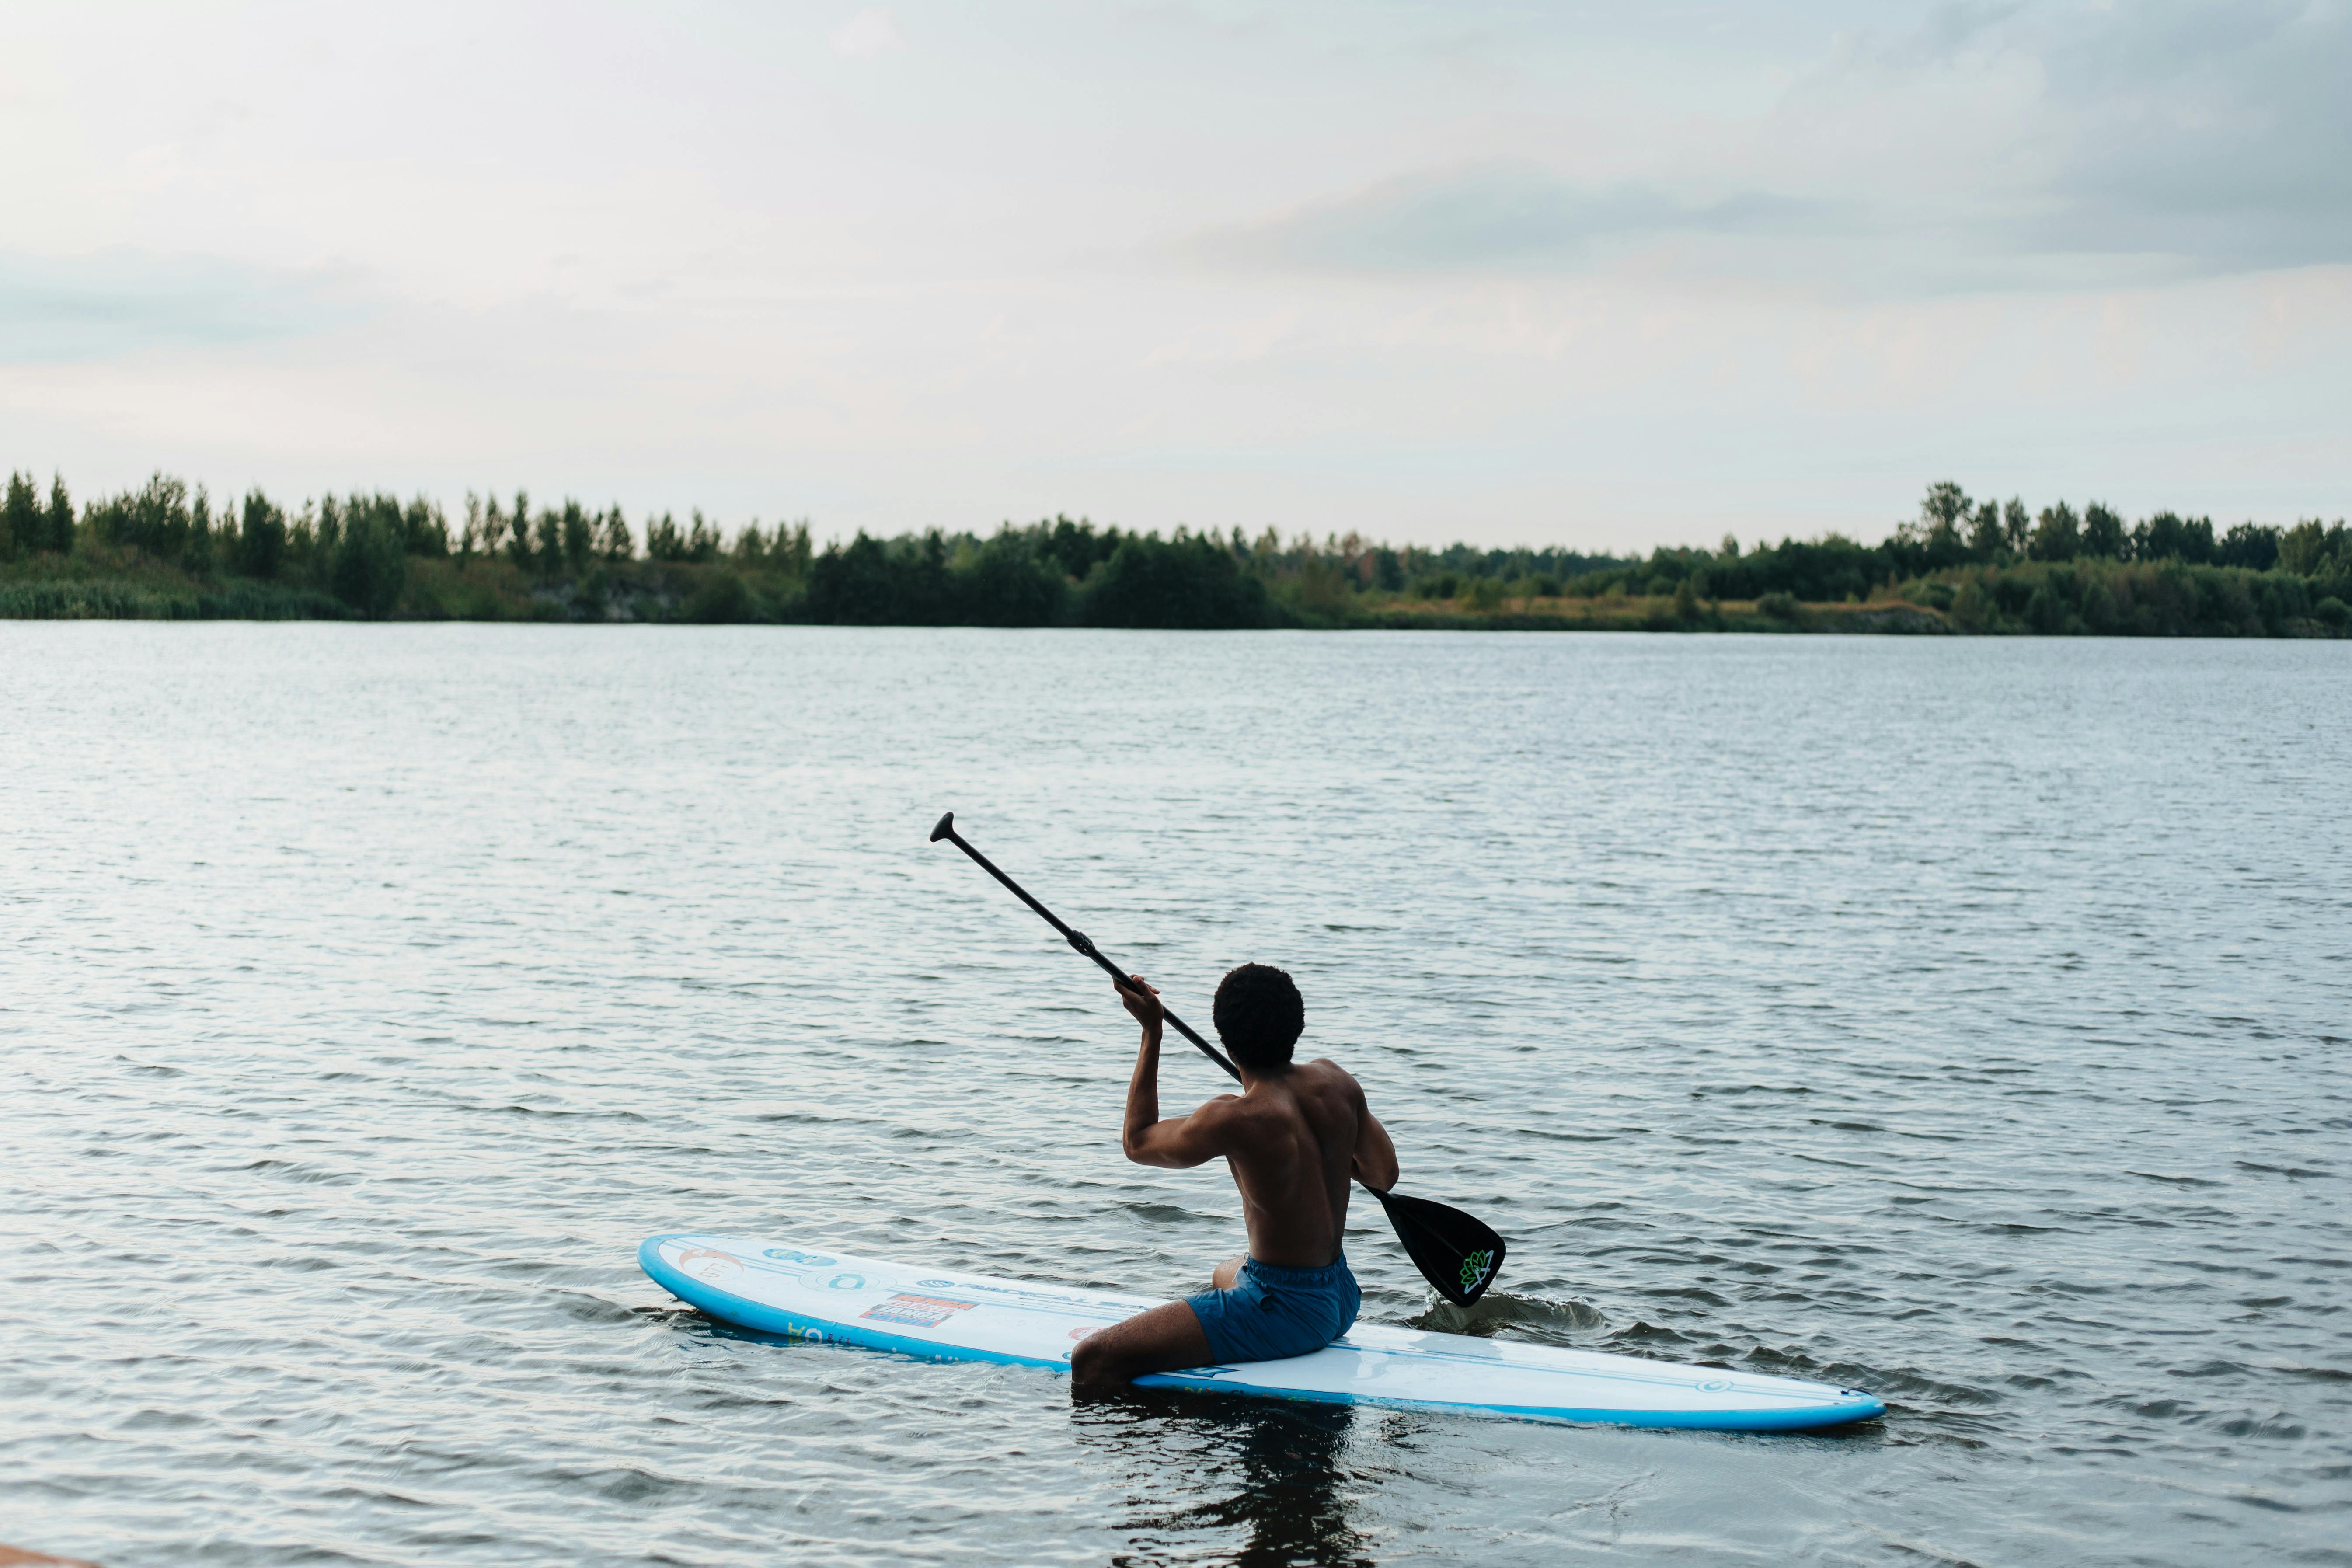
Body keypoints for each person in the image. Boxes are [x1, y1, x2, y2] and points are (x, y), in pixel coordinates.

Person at [1069, 962, 1397, 1389]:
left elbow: (1138, 1142)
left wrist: (1152, 1031)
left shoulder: (1231, 1118)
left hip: (1289, 1311)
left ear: (1226, 1042)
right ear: (1296, 1025)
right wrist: (1327, 1155)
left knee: (1091, 1360)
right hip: (1341, 1295)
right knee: (1225, 1272)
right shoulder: (1338, 1082)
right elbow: (1383, 1175)